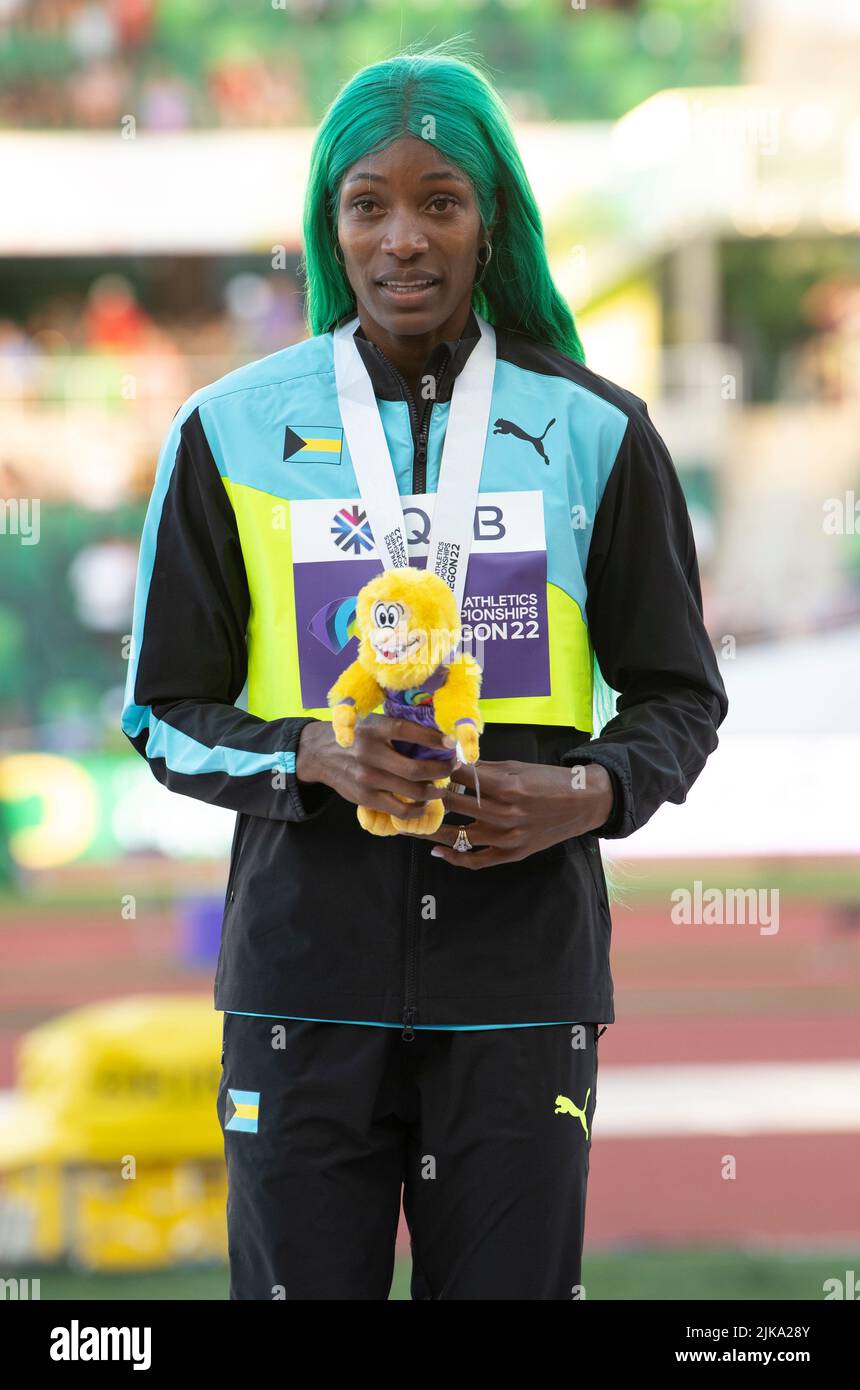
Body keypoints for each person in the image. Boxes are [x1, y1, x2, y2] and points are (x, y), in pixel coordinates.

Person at [121, 45, 728, 1300]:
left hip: (520, 985)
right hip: (303, 985)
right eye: (368, 204)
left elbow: (679, 698)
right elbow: (160, 709)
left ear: (489, 215)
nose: (403, 238)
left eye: (438, 201)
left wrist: (590, 792)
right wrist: (306, 752)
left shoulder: (596, 430)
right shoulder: (228, 428)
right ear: (328, 226)